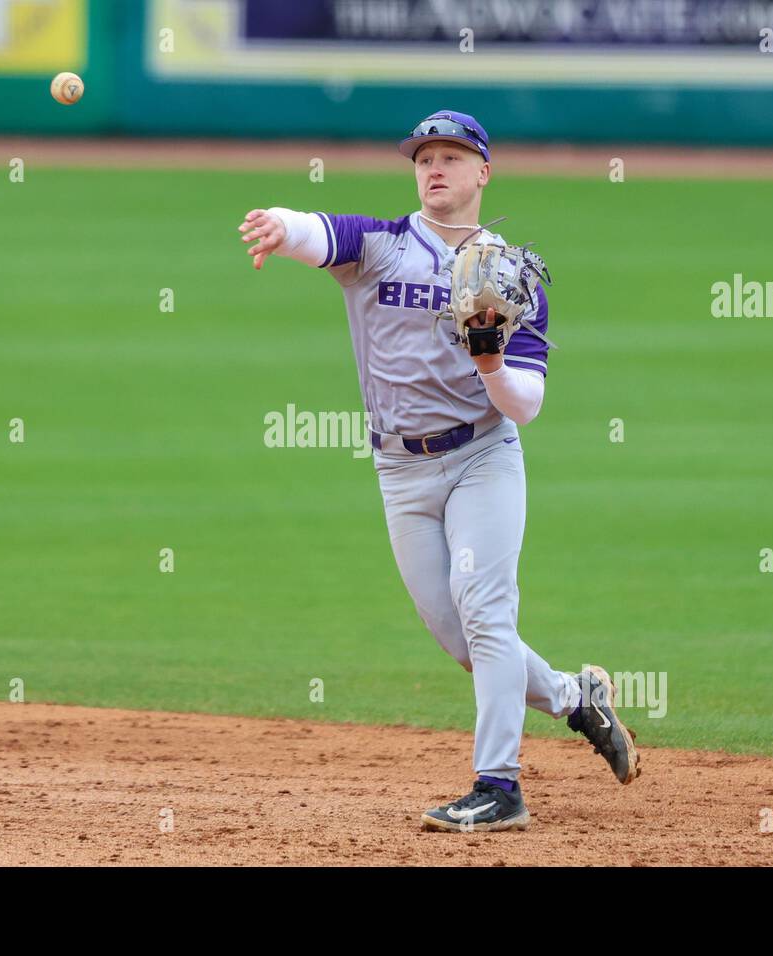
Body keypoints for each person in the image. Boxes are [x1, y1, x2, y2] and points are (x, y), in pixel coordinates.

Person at [238, 110, 639, 833]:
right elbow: (317, 231)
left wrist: (490, 362)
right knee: (462, 640)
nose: (434, 168)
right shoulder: (381, 245)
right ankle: (578, 700)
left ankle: (499, 787)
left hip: (482, 457)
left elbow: (527, 404)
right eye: (424, 157)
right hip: (399, 471)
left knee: (487, 612)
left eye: (452, 156)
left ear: (483, 172)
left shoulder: (511, 277)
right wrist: (277, 222)